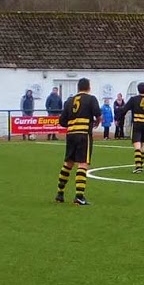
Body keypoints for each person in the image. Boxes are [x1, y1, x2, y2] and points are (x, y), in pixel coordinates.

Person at [53, 78, 101, 206]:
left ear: (78, 88)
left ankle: (60, 194)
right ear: (88, 87)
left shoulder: (69, 101)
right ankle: (79, 196)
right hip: (83, 134)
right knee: (83, 164)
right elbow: (98, 114)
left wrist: (72, 123)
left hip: (71, 135)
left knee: (68, 163)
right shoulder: (91, 99)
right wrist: (96, 122)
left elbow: (62, 121)